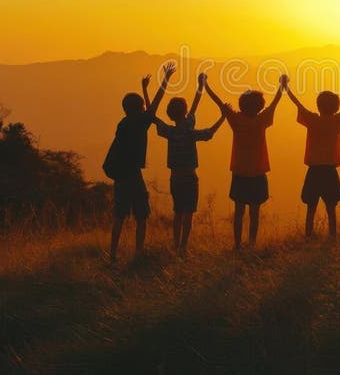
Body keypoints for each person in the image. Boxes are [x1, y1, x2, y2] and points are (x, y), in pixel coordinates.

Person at [283, 78, 340, 238]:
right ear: (336, 106)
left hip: (314, 170)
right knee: (331, 208)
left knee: (311, 207)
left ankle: (308, 237)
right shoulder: (337, 121)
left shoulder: (312, 120)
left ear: (319, 105)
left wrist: (286, 88)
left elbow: (298, 104)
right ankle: (332, 237)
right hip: (330, 170)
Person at [103, 62, 175, 261]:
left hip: (120, 175)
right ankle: (139, 253)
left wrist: (144, 88)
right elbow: (155, 105)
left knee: (119, 216)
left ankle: (113, 254)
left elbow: (148, 110)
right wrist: (166, 79)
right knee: (142, 216)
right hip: (133, 175)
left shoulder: (124, 123)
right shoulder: (140, 123)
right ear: (139, 109)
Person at [202, 73, 284, 249]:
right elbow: (276, 102)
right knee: (255, 212)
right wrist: (282, 85)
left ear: (242, 105)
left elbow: (218, 101)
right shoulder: (262, 119)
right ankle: (252, 244)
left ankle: (238, 244)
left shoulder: (236, 120)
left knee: (239, 212)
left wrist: (205, 84)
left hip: (240, 172)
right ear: (260, 107)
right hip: (258, 172)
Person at [151, 73, 225, 255]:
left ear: (171, 114)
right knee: (188, 214)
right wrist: (223, 117)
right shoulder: (190, 129)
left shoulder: (169, 131)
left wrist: (157, 86)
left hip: (175, 178)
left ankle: (176, 245)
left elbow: (152, 117)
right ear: (184, 112)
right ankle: (183, 246)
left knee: (178, 212)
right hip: (190, 179)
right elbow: (208, 131)